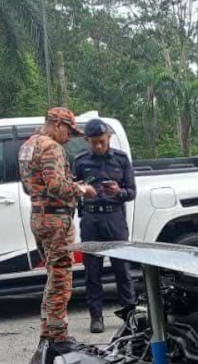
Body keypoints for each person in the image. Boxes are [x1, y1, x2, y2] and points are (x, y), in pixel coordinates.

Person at [19, 107, 97, 344]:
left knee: (52, 276)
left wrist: (67, 184)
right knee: (61, 278)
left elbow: (29, 186)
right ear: (57, 125)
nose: (69, 137)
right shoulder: (51, 146)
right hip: (56, 220)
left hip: (39, 216)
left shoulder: (28, 145)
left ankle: (48, 330)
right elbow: (56, 186)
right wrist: (82, 189)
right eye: (69, 131)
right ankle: (57, 337)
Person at [72, 119, 137, 333]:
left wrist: (118, 192)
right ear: (87, 140)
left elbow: (132, 192)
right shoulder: (80, 161)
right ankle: (96, 317)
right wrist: (82, 190)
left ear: (109, 138)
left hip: (114, 218)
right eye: (94, 142)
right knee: (92, 271)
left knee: (122, 270)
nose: (99, 146)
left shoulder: (121, 159)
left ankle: (129, 316)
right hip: (91, 219)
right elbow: (72, 188)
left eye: (102, 141)